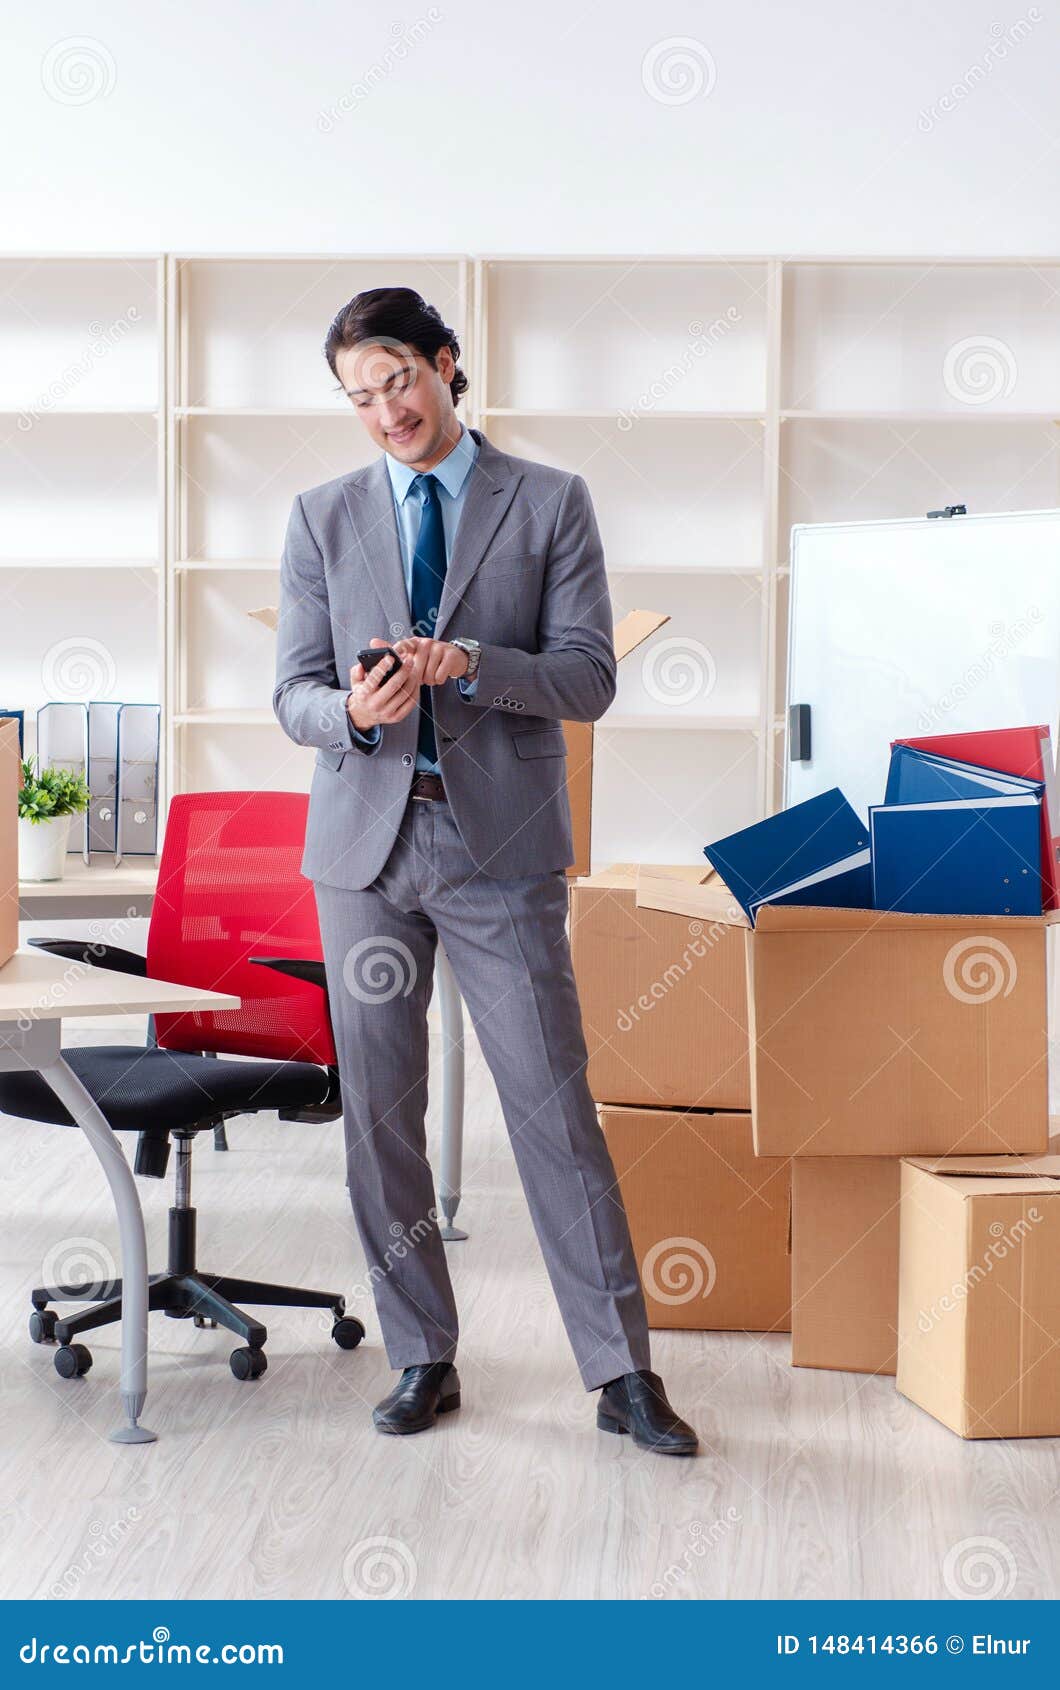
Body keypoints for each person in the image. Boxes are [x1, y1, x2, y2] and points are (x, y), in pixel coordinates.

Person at [272, 286, 697, 1455]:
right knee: (381, 1118)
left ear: (446, 366)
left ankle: (621, 1375)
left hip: (496, 850)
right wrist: (350, 712)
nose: (383, 411)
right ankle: (422, 1353)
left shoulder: (549, 502)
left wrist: (467, 663)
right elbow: (292, 690)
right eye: (359, 397)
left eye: (397, 380)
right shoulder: (320, 516)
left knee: (552, 1109)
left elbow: (587, 678)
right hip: (363, 851)